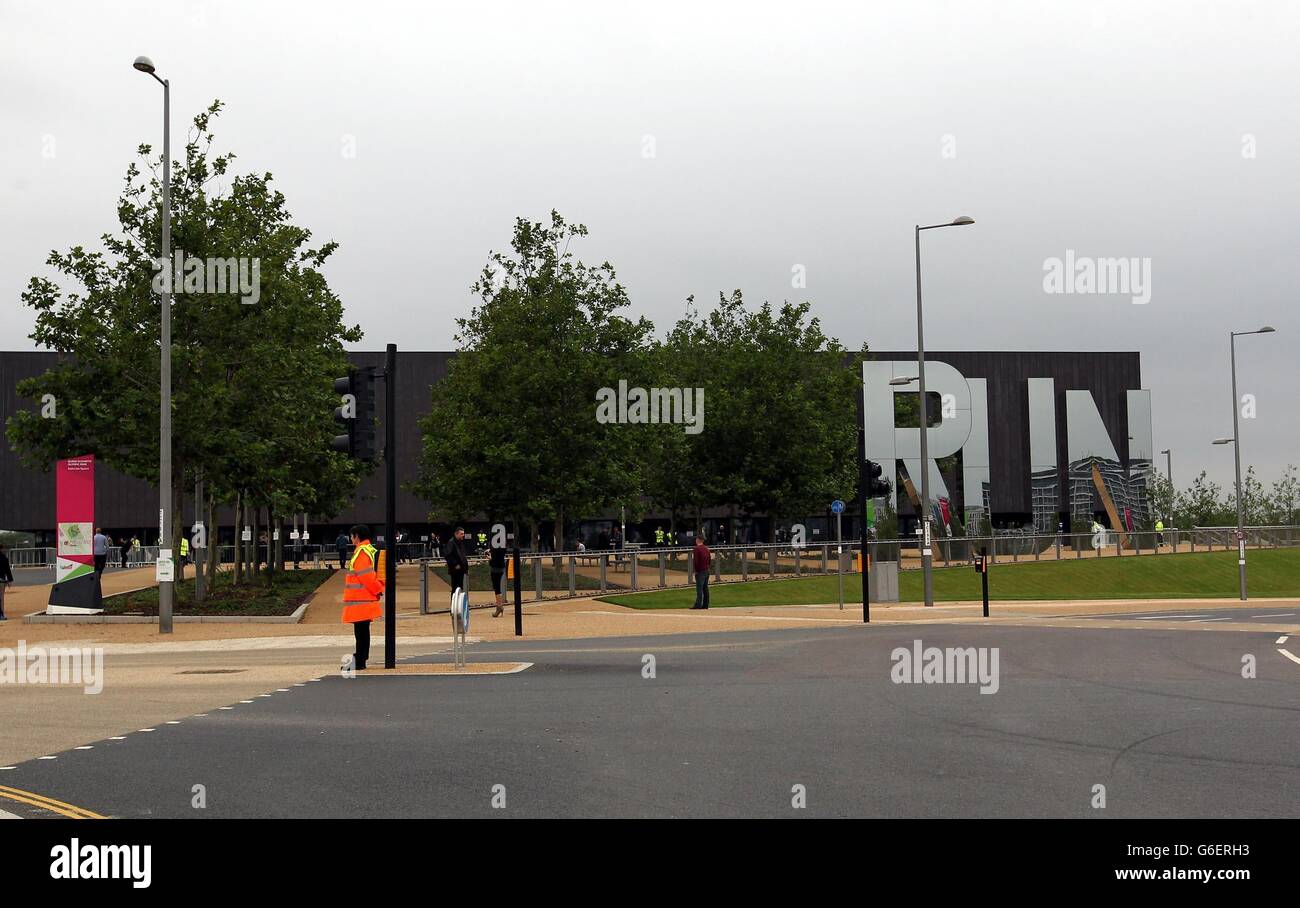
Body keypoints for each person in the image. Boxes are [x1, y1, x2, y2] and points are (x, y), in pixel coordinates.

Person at [341, 524, 384, 671]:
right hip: (366, 599)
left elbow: (365, 576)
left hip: (360, 600)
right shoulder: (369, 550)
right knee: (363, 632)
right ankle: (360, 659)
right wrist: (378, 590)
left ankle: (359, 660)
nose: (350, 539)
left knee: (360, 633)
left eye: (351, 536)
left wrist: (377, 590)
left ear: (356, 536)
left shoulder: (361, 552)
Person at [445, 527, 469, 595]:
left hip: (461, 569)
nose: (463, 535)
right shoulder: (451, 543)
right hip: (455, 570)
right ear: (456, 534)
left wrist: (466, 568)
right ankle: (454, 604)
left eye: (463, 534)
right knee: (455, 588)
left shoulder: (460, 542)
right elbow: (448, 555)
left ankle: (460, 604)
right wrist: (455, 564)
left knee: (460, 587)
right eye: (461, 534)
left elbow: (463, 556)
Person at [691, 532, 711, 610]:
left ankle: (698, 604)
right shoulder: (706, 549)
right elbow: (709, 559)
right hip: (706, 569)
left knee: (699, 588)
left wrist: (696, 570)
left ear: (698, 540)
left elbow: (696, 561)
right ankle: (705, 604)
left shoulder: (696, 549)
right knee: (705, 588)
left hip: (700, 571)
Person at [489, 536, 507, 617]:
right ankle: (499, 606)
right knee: (497, 587)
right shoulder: (502, 544)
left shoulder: (494, 544)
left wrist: (490, 557)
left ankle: (499, 606)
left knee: (496, 587)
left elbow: (494, 558)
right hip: (501, 566)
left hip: (495, 567)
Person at [0, 543, 13, 620]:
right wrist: (10, 580)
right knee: (1, 598)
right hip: (1, 581)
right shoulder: (4, 558)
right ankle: (1, 614)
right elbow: (7, 570)